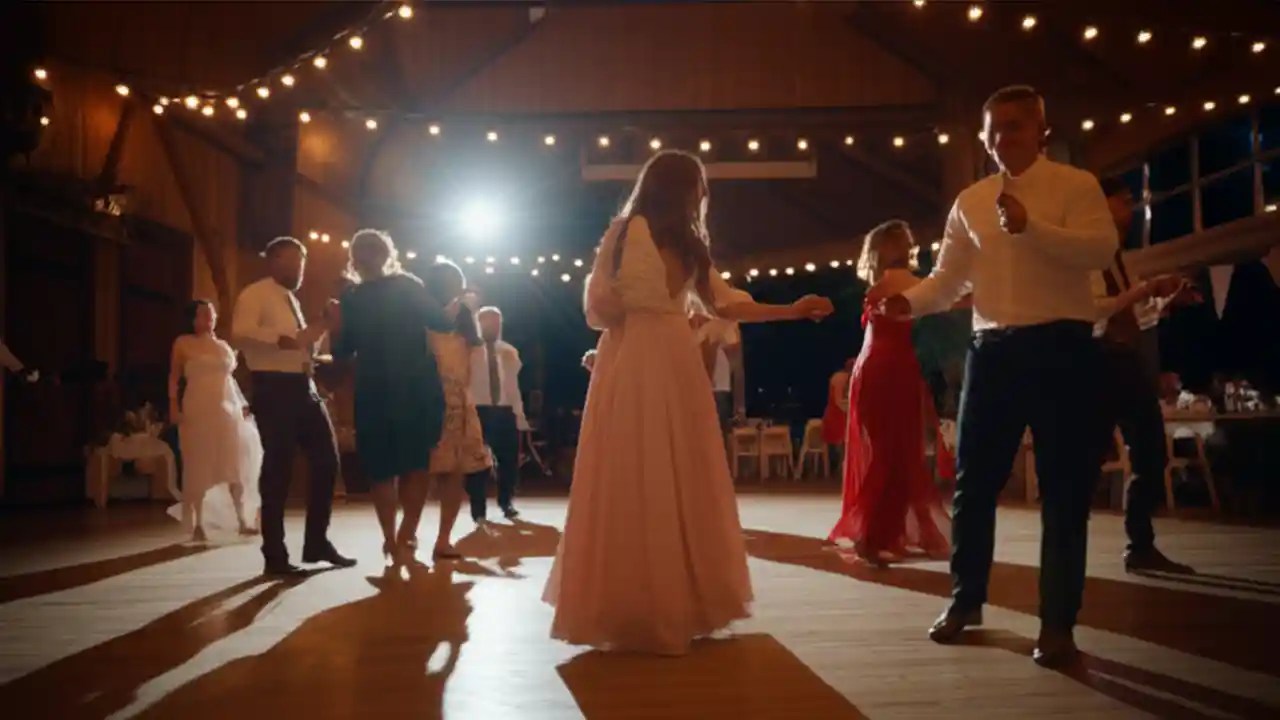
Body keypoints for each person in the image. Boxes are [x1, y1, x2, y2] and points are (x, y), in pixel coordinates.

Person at [544, 150, 834, 655]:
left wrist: (789, 308)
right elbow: (715, 303)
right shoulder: (661, 240)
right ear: (686, 190)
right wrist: (789, 308)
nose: (704, 196)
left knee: (647, 470)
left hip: (636, 357)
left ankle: (647, 601)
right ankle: (665, 601)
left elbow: (606, 308)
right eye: (700, 186)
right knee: (663, 470)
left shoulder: (638, 238)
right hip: (659, 358)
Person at [879, 86, 1117, 667]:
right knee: (973, 483)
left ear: (1040, 129)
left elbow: (1100, 249)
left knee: (1062, 491)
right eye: (991, 129)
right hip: (993, 349)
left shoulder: (1075, 186)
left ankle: (1058, 624)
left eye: (1012, 126)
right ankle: (965, 600)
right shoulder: (971, 200)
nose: (999, 138)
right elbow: (949, 278)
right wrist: (909, 302)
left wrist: (1032, 227)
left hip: (1062, 347)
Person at [1093, 178, 1200, 573]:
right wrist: (1146, 289)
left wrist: (1162, 303)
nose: (1129, 207)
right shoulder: (1090, 253)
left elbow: (1127, 318)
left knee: (1150, 451)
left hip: (1124, 360)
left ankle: (1140, 544)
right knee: (1085, 460)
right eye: (1120, 201)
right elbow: (1096, 311)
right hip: (1099, 362)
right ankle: (1067, 544)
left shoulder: (1114, 254)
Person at [329, 229, 456, 564]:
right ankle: (406, 533)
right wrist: (459, 303)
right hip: (416, 388)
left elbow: (342, 350)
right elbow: (442, 323)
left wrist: (335, 323)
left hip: (374, 389)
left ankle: (390, 537)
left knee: (380, 468)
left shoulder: (352, 296)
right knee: (416, 464)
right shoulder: (408, 286)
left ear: (354, 258)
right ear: (389, 254)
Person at [829, 220, 952, 565]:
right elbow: (948, 300)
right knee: (896, 455)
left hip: (869, 372)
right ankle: (874, 535)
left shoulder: (883, 285)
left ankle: (879, 532)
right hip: (894, 371)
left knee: (886, 453)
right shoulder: (913, 283)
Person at [232, 236, 355, 575]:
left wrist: (322, 327)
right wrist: (282, 341)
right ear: (274, 261)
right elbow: (240, 331)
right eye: (293, 262)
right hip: (274, 388)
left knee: (327, 461)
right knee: (278, 470)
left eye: (302, 262)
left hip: (303, 387)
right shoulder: (255, 294)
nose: (300, 268)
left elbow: (300, 344)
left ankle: (316, 541)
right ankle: (275, 553)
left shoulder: (291, 300)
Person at [167, 299, 261, 541]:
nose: (208, 319)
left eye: (211, 314)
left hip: (225, 407)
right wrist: (173, 406)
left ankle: (242, 519)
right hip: (197, 408)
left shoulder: (223, 346)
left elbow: (230, 380)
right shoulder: (183, 343)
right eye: (202, 315)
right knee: (199, 461)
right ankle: (198, 523)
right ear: (192, 318)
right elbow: (174, 378)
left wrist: (241, 405)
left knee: (234, 460)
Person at [422, 261, 492, 559]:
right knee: (421, 471)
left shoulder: (464, 318)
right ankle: (412, 532)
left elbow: (474, 360)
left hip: (458, 402)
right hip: (427, 399)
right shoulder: (421, 318)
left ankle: (443, 538)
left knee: (453, 473)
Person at [468, 306, 528, 523]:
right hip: (478, 409)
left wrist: (519, 414)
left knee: (508, 461)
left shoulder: (509, 352)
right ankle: (478, 510)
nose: (492, 326)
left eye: (496, 322)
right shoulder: (470, 350)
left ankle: (506, 502)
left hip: (504, 410)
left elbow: (512, 386)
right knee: (478, 462)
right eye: (487, 322)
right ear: (478, 324)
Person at [821, 358, 855, 474]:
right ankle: (843, 468)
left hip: (841, 414)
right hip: (836, 416)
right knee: (844, 441)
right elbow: (838, 401)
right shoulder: (840, 378)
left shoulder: (847, 378)